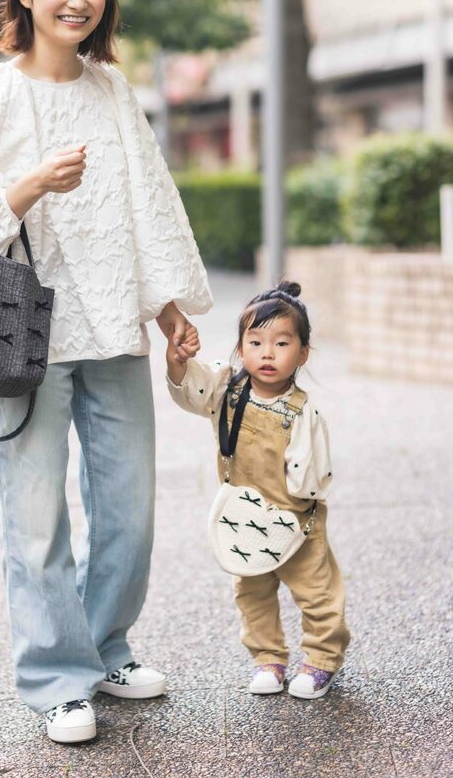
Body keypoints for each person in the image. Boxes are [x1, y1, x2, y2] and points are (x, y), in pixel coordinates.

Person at [0, 0, 212, 743]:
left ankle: (106, 646)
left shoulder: (113, 90)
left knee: (130, 508)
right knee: (36, 516)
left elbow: (150, 205)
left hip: (115, 326)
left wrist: (171, 309)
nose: (78, 0)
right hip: (22, 339)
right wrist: (26, 187)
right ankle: (55, 677)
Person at [165, 281, 350, 699]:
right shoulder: (227, 390)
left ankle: (321, 659)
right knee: (252, 590)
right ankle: (268, 658)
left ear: (302, 354)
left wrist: (293, 511)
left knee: (316, 592)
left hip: (296, 517)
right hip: (244, 515)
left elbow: (313, 474)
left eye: (282, 343)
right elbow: (191, 390)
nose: (268, 353)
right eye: (256, 342)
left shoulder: (303, 412)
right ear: (240, 348)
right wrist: (178, 363)